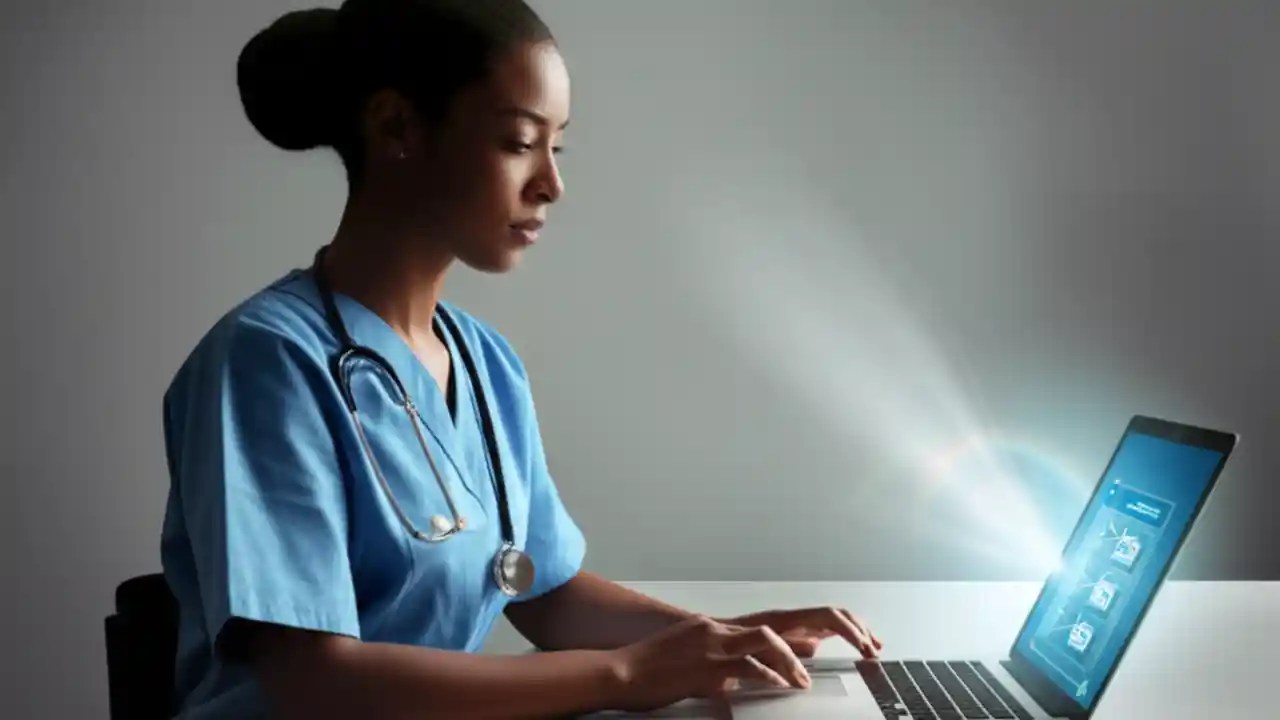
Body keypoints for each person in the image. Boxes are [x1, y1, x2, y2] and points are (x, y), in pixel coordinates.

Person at [158, 1, 883, 717]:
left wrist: (721, 641)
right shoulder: (266, 362)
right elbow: (314, 681)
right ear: (396, 128)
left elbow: (543, 594)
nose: (551, 184)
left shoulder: (484, 363)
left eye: (555, 147)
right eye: (517, 143)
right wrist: (624, 676)